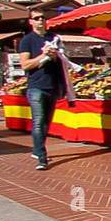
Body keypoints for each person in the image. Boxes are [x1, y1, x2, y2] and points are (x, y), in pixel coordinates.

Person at [18, 21, 69, 170]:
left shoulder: (54, 38)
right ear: (31, 21)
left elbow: (62, 61)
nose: (40, 20)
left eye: (43, 18)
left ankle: (36, 148)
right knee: (39, 121)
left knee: (46, 122)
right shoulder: (27, 40)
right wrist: (43, 55)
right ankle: (42, 157)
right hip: (36, 87)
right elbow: (25, 65)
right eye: (37, 17)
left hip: (52, 86)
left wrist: (55, 56)